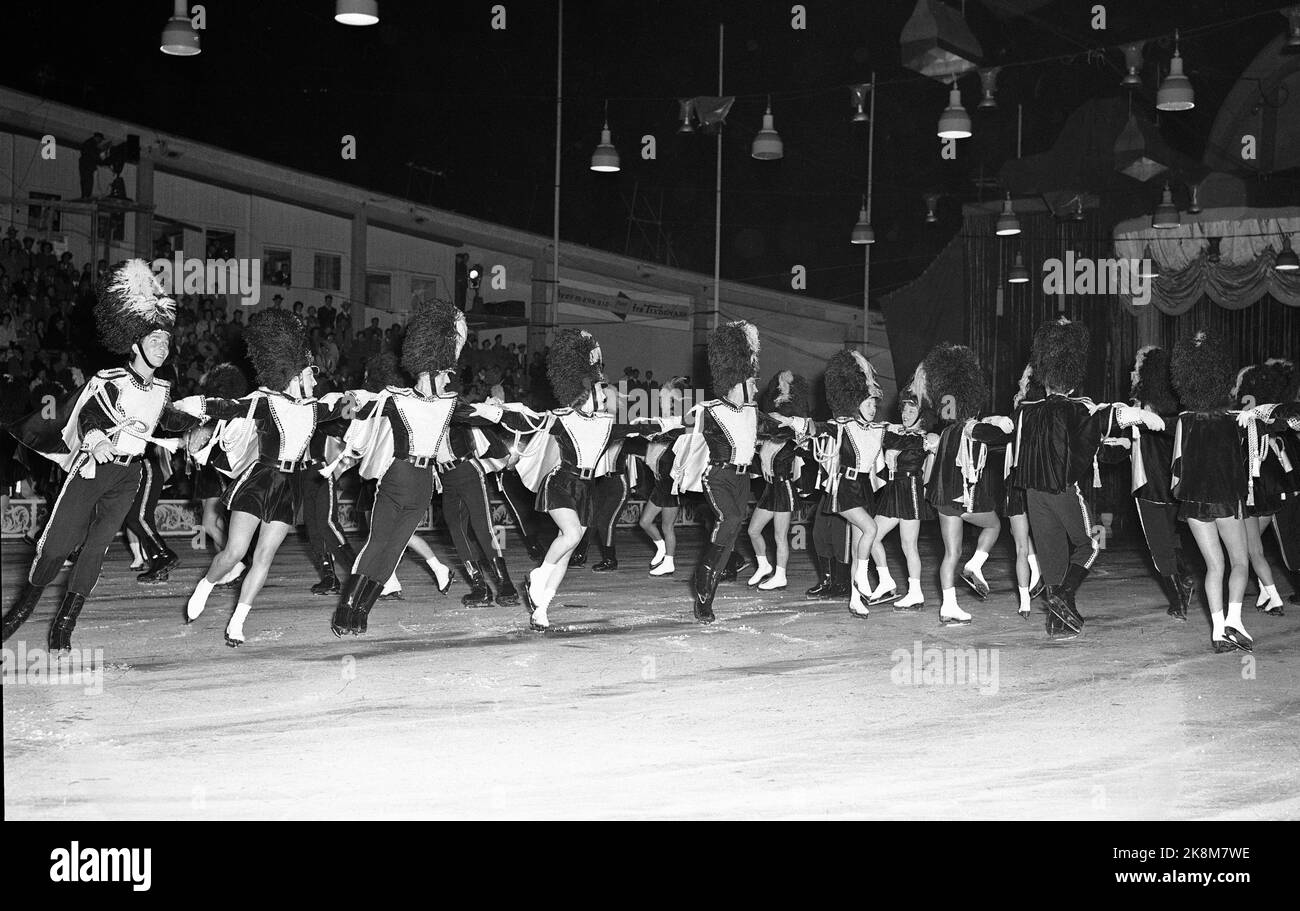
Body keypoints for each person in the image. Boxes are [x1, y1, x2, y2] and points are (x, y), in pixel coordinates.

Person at [2, 260, 199, 651]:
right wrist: (96, 439)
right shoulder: (110, 381)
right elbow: (91, 413)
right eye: (155, 340)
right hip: (94, 468)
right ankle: (16, 616)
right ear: (134, 344)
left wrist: (206, 418)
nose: (163, 346)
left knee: (95, 551)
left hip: (129, 477)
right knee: (57, 546)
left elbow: (173, 418)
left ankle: (64, 626)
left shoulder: (161, 389)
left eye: (166, 341)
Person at [181, 310, 357, 646]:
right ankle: (205, 586)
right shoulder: (265, 400)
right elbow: (229, 408)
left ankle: (238, 622)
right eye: (310, 374)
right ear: (293, 374)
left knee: (264, 557)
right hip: (259, 478)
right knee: (234, 552)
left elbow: (346, 410)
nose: (314, 380)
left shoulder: (314, 408)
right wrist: (196, 405)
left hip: (289, 488)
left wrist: (358, 401)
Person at [1013, 319, 1161, 639]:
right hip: (1064, 490)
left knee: (1051, 556)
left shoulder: (1029, 410)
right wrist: (1134, 415)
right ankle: (1065, 597)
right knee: (1090, 544)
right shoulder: (1075, 408)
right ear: (1071, 375)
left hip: (1033, 494)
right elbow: (1098, 425)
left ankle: (1058, 623)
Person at [516, 329, 660, 630]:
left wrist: (679, 422)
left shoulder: (607, 425)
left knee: (568, 547)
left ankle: (541, 608)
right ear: (585, 395)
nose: (605, 397)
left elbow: (644, 428)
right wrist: (501, 409)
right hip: (559, 484)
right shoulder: (562, 417)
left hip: (584, 489)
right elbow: (527, 419)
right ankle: (538, 575)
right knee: (570, 536)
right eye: (599, 392)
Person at [672, 322, 774, 623]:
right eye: (752, 383)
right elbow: (680, 429)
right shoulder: (710, 410)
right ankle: (701, 593)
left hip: (743, 481)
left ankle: (706, 592)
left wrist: (806, 428)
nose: (757, 387)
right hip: (717, 478)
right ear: (737, 382)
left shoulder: (753, 413)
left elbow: (778, 428)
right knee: (728, 521)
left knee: (729, 538)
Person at [913, 344, 1012, 625]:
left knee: (950, 553)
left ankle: (949, 605)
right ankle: (976, 564)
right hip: (963, 498)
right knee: (993, 526)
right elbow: (995, 436)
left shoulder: (946, 431)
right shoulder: (971, 428)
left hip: (943, 500)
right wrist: (1006, 425)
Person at [1121, 347, 1194, 620]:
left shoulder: (1138, 410)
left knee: (1158, 545)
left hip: (1148, 485)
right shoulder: (1178, 408)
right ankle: (1186, 577)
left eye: (1137, 369)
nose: (1132, 373)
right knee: (1175, 538)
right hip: (1176, 485)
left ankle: (1177, 600)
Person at [870, 393, 939, 611]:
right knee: (870, 535)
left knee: (908, 545)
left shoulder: (926, 438)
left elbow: (923, 445)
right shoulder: (897, 431)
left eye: (911, 411)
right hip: (893, 489)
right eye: (904, 410)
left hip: (910, 489)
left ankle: (915, 592)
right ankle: (885, 580)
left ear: (921, 415)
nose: (906, 414)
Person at [746, 371, 811, 591]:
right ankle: (764, 566)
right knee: (753, 530)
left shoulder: (792, 435)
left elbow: (800, 431)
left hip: (784, 488)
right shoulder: (769, 439)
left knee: (779, 536)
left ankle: (781, 575)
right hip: (770, 489)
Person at [638, 377, 689, 576]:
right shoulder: (667, 421)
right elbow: (656, 427)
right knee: (644, 522)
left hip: (670, 484)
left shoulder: (680, 425)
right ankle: (661, 549)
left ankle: (669, 561)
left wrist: (649, 429)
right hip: (660, 484)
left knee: (668, 527)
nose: (663, 402)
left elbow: (665, 431)